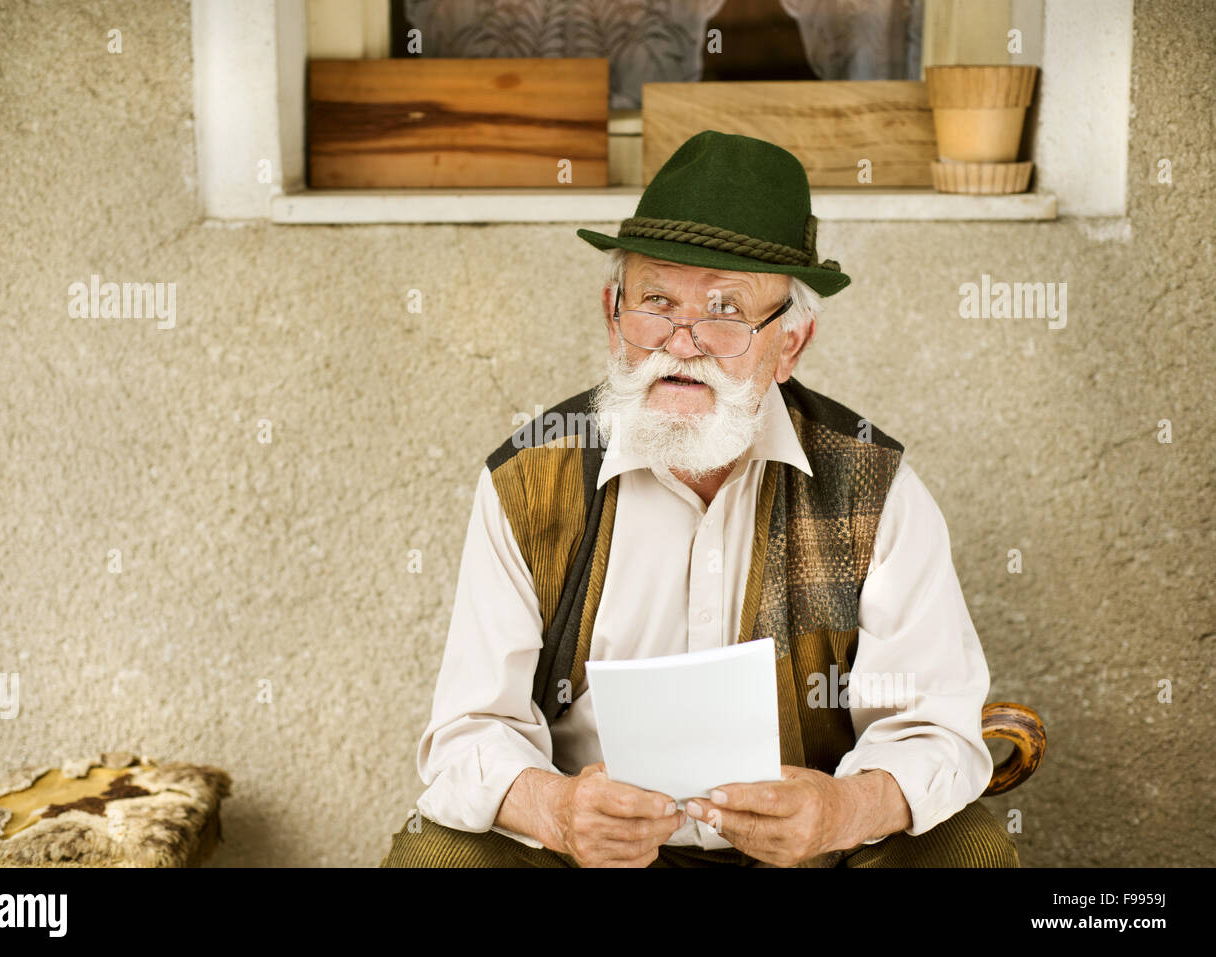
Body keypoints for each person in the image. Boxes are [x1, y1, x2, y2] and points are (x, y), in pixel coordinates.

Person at [381, 130, 1019, 868]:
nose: (680, 343)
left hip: (808, 857)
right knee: (438, 857)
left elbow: (937, 730)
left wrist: (838, 810)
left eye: (724, 310)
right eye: (656, 301)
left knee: (969, 852)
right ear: (611, 314)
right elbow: (467, 732)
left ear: (791, 345)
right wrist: (558, 811)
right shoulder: (529, 481)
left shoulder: (874, 489)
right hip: (587, 858)